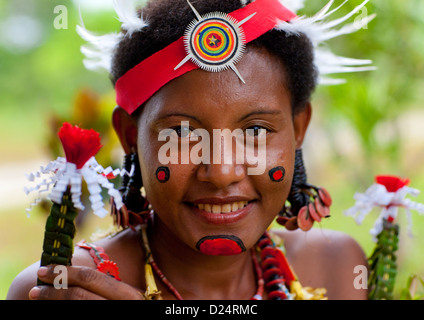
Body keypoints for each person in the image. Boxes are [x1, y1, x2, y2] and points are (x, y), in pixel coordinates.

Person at [7, 0, 374, 300]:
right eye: (182, 133)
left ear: (298, 129)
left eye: (257, 130)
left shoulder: (337, 268)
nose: (221, 172)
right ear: (129, 135)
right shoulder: (67, 290)